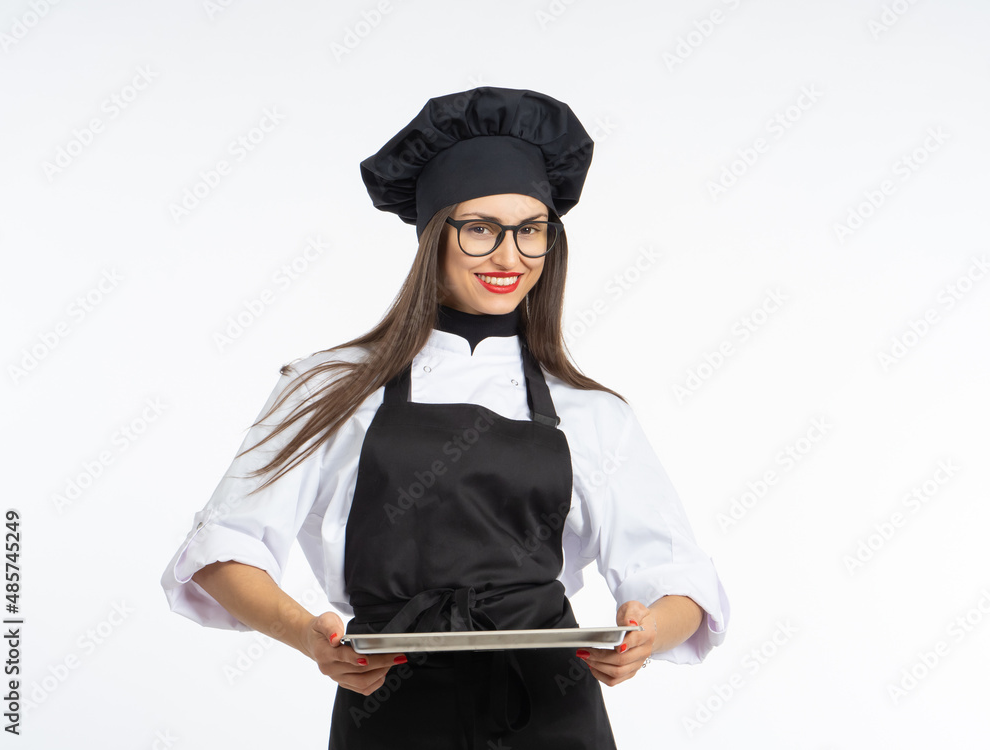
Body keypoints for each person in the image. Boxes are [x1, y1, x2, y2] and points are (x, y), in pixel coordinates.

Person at [161, 86, 729, 749]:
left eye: (531, 230)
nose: (510, 256)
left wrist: (646, 634)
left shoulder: (591, 410)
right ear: (435, 235)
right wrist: (311, 637)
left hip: (550, 710)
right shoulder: (328, 387)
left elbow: (680, 578)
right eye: (481, 228)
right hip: (390, 706)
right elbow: (222, 550)